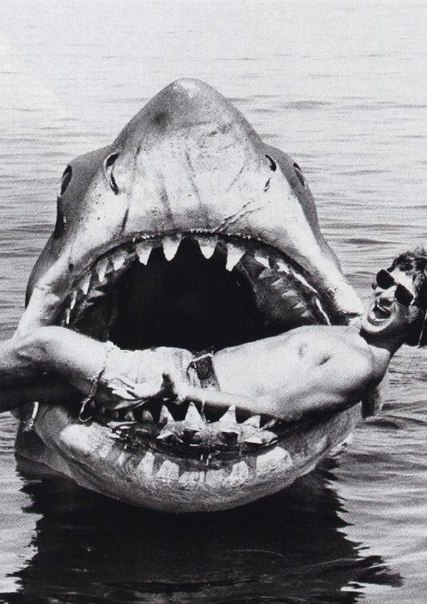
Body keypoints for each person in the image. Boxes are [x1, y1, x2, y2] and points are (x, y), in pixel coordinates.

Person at [0, 249, 426, 422]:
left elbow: (279, 407)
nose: (384, 293)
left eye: (402, 294)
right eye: (384, 279)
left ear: (418, 323)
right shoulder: (356, 339)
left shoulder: (359, 364)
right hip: (181, 368)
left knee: (43, 346)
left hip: (178, 386)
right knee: (36, 388)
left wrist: (186, 393)